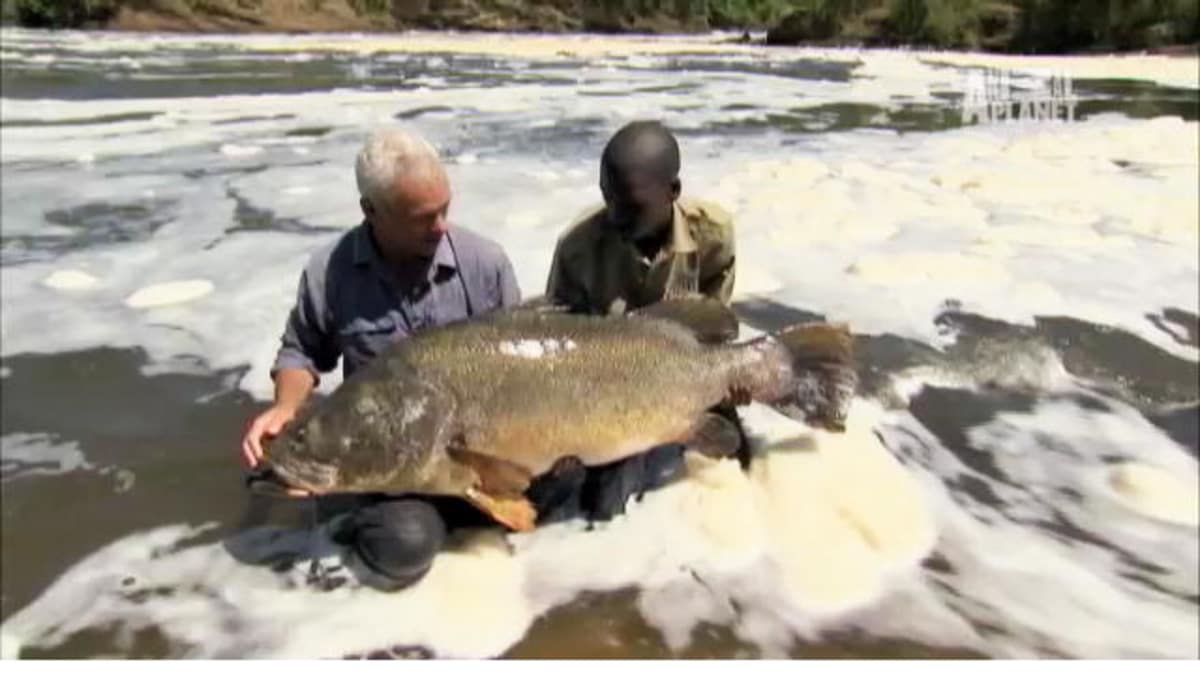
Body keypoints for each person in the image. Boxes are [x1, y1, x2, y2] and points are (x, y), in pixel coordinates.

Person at [240, 128, 521, 591]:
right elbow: (303, 349)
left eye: (445, 210)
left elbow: (520, 360)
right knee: (405, 544)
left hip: (478, 452)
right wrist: (286, 407)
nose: (441, 227)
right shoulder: (329, 272)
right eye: (422, 218)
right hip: (394, 464)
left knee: (582, 494)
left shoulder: (484, 263)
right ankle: (355, 519)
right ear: (372, 212)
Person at [533, 120, 743, 524]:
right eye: (607, 198)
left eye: (630, 206)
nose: (615, 215)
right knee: (593, 503)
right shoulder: (577, 246)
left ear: (673, 193)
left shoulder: (714, 234)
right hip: (604, 391)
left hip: (685, 374)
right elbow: (557, 345)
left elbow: (715, 327)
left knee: (734, 470)